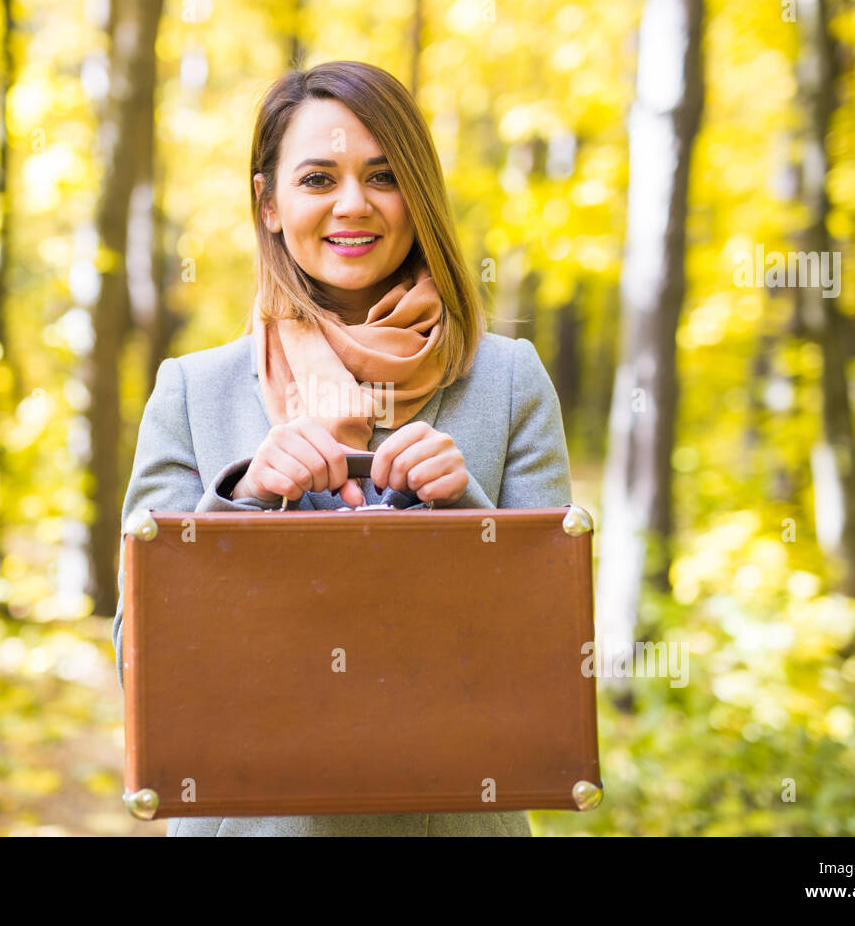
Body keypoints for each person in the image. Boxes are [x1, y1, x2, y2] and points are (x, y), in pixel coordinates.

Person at [112, 60, 572, 836]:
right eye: (318, 178)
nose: (352, 205)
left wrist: (466, 512)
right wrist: (240, 503)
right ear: (269, 203)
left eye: (383, 176)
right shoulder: (194, 391)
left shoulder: (508, 381)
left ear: (417, 196)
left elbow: (557, 663)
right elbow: (142, 665)